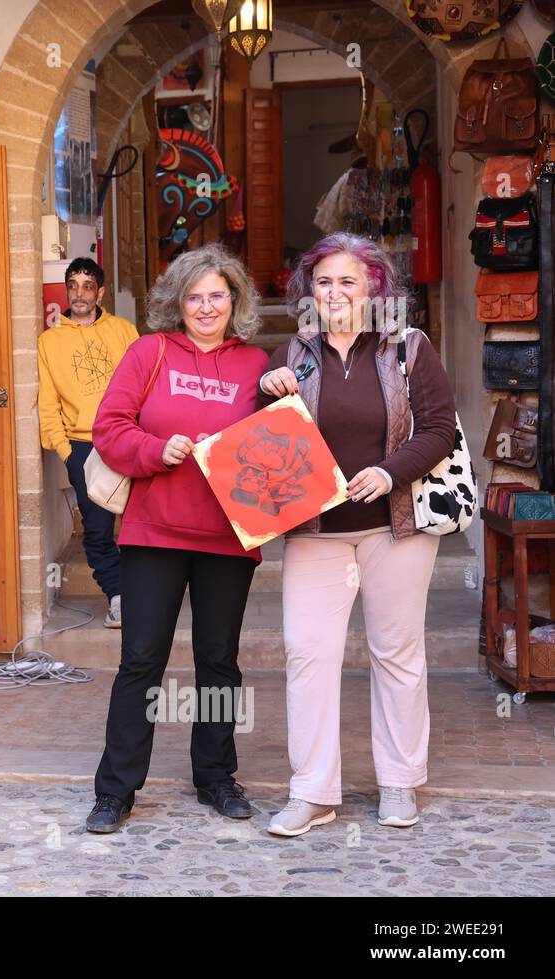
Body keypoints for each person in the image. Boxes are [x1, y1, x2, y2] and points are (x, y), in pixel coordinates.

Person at [258, 232, 457, 837]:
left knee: (396, 653)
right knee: (307, 653)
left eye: (348, 281)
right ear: (308, 292)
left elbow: (441, 429)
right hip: (316, 533)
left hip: (395, 529)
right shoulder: (294, 354)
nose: (336, 292)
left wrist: (387, 471)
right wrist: (265, 394)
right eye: (323, 282)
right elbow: (265, 447)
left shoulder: (408, 347)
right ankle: (313, 792)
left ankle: (399, 782)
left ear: (374, 286)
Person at [86, 244, 268, 833]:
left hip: (227, 536)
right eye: (195, 296)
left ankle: (215, 776)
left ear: (234, 300)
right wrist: (153, 451)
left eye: (218, 295)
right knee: (141, 659)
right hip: (154, 531)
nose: (207, 306)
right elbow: (109, 428)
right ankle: (115, 791)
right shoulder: (150, 352)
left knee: (220, 661)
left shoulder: (257, 364)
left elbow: (281, 445)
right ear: (177, 302)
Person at [37, 257, 140, 628]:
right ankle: (117, 597)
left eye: (87, 285)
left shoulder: (125, 331)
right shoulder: (49, 342)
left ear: (100, 291)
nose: (79, 293)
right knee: (96, 531)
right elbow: (47, 403)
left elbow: (145, 385)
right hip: (83, 445)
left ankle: (145, 593)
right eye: (73, 285)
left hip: (128, 437)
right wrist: (66, 452)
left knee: (139, 524)